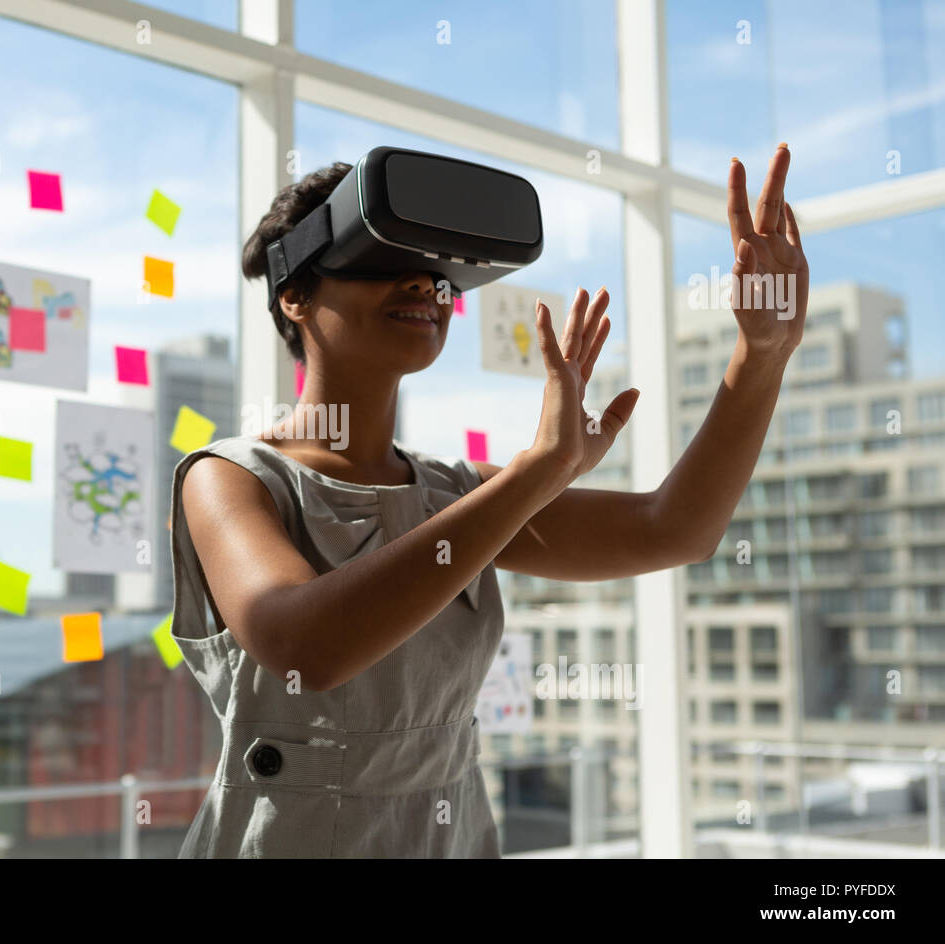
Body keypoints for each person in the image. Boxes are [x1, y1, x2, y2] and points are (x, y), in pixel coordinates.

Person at [167, 144, 809, 858]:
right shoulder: (230, 478)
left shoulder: (461, 493)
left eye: (438, 272)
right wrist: (539, 472)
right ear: (296, 295)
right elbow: (305, 647)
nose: (423, 287)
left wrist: (763, 355)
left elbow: (675, 530)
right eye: (382, 262)